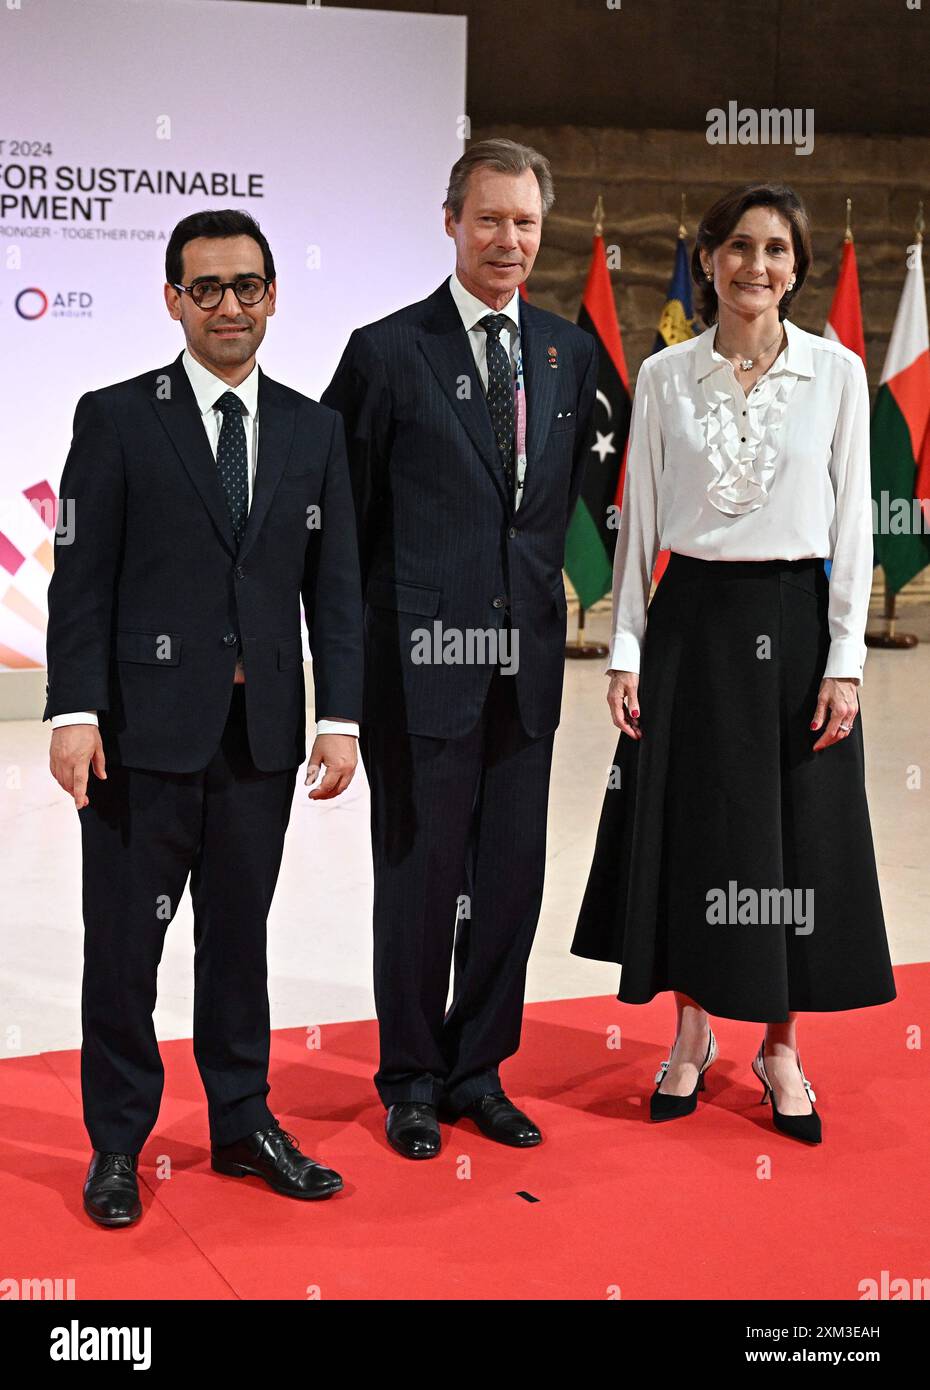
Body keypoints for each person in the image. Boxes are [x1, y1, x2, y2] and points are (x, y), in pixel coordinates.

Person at [45, 209, 364, 1225]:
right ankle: (117, 1146)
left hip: (261, 740)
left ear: (273, 294)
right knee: (125, 949)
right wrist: (75, 708)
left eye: (248, 285)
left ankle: (241, 1123)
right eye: (209, 287)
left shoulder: (316, 430)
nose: (231, 304)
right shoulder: (116, 416)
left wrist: (341, 716)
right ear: (174, 298)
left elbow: (338, 589)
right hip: (139, 739)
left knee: (239, 942)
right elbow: (80, 579)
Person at [571, 182, 896, 1145]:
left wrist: (847, 660)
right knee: (695, 829)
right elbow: (636, 528)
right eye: (741, 248)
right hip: (692, 623)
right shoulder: (666, 375)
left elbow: (852, 526)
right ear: (709, 260)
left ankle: (782, 1047)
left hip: (796, 622)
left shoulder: (837, 375)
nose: (758, 266)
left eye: (778, 251)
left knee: (794, 835)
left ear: (798, 270)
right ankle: (693, 1030)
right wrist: (625, 645)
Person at [323, 139, 597, 1159]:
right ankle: (409, 1080)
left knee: (510, 879)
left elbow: (553, 509)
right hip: (419, 676)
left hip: (525, 676)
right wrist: (340, 694)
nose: (509, 241)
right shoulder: (386, 352)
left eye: (525, 222)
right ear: (451, 222)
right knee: (420, 881)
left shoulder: (570, 355)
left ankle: (479, 1069)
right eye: (490, 219)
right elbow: (341, 534)